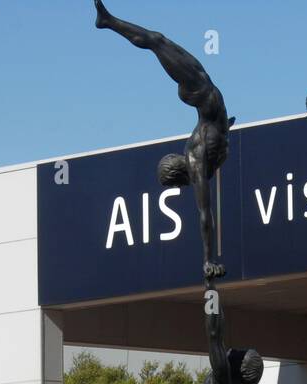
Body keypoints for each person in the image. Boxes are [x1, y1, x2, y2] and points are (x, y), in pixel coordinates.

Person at [95, 0, 234, 280]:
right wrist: (208, 261)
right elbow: (204, 215)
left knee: (156, 41)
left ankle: (107, 22)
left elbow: (205, 215)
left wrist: (210, 259)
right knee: (157, 41)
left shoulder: (197, 158)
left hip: (202, 96)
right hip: (203, 94)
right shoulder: (198, 165)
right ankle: (108, 22)